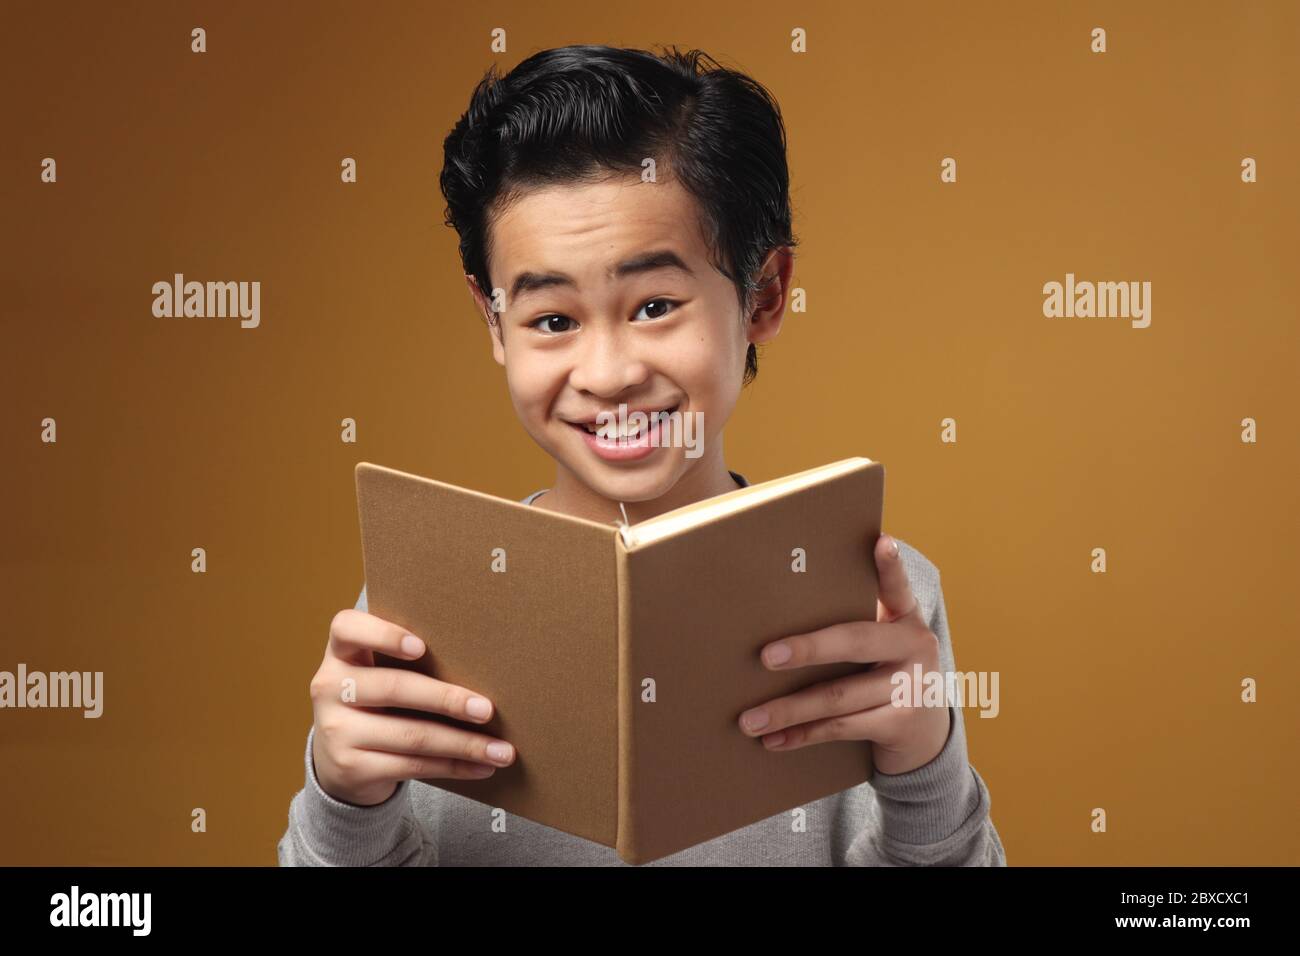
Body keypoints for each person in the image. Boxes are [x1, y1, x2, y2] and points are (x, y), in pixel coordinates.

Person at [278, 43, 1005, 866]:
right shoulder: (421, 604)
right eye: (553, 319)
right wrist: (344, 798)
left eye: (656, 305)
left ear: (762, 294)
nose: (610, 375)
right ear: (492, 323)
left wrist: (925, 768)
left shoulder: (874, 594)